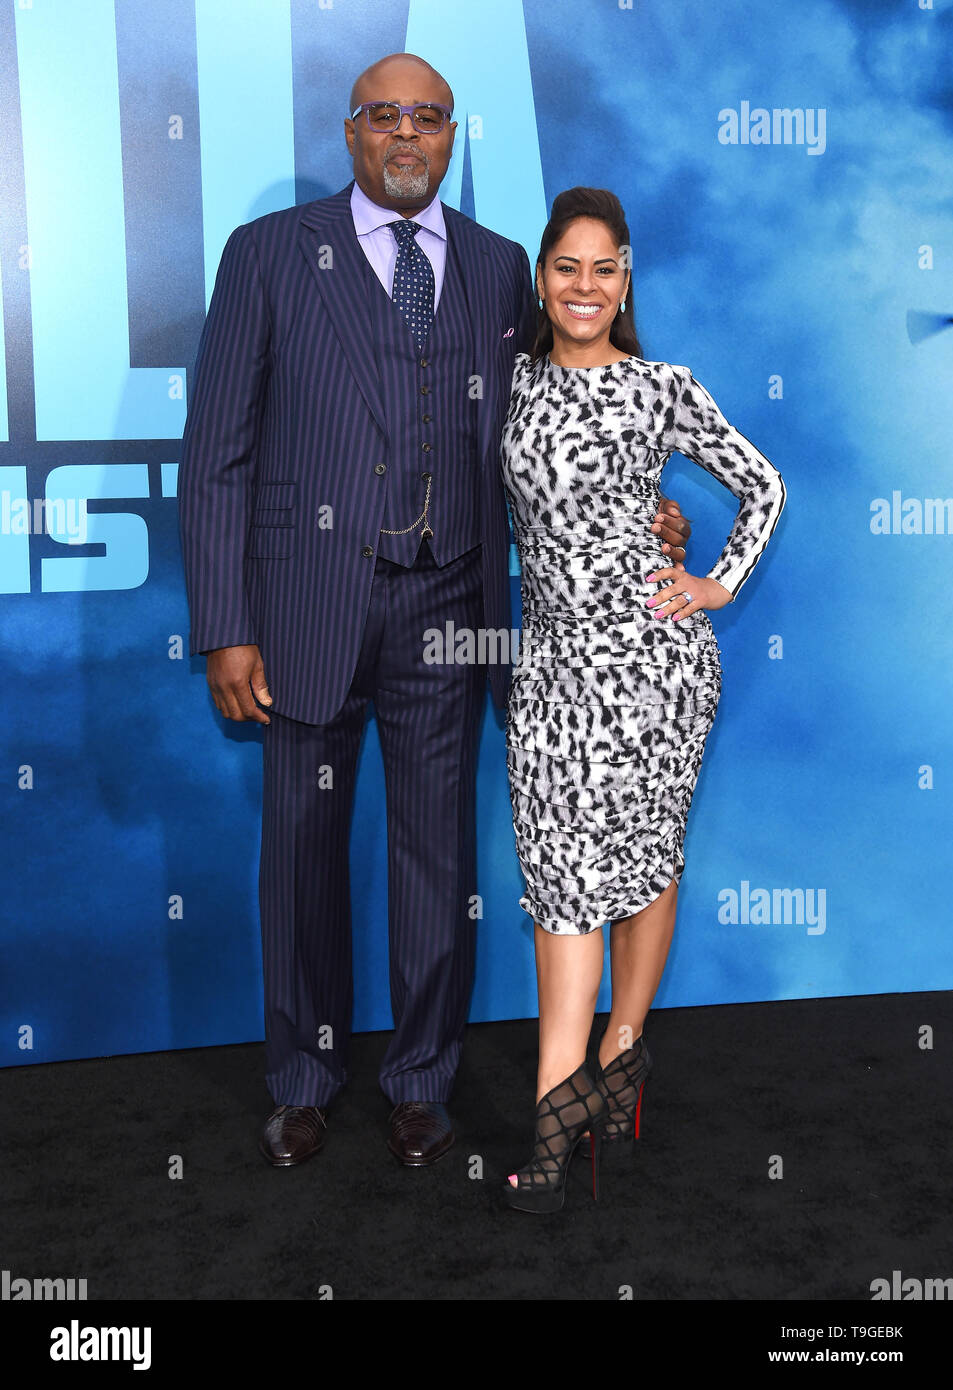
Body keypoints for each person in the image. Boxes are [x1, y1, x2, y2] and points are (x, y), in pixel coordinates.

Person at [178, 57, 692, 1170]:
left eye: (426, 118)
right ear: (351, 133)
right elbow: (214, 454)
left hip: (453, 604)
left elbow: (563, 397)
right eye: (383, 117)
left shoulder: (504, 268)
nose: (405, 135)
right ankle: (304, 1081)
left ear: (451, 135)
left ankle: (421, 1081)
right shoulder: (269, 255)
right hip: (307, 605)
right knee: (302, 853)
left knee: (434, 856)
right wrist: (224, 622)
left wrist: (636, 500)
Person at [500, 187, 786, 1212]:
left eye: (603, 267)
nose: (584, 286)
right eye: (566, 267)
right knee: (560, 879)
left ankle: (594, 1075)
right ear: (542, 277)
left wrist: (716, 580)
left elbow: (763, 484)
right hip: (546, 670)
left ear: (627, 279)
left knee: (644, 854)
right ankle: (590, 1081)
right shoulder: (510, 382)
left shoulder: (662, 385)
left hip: (654, 672)